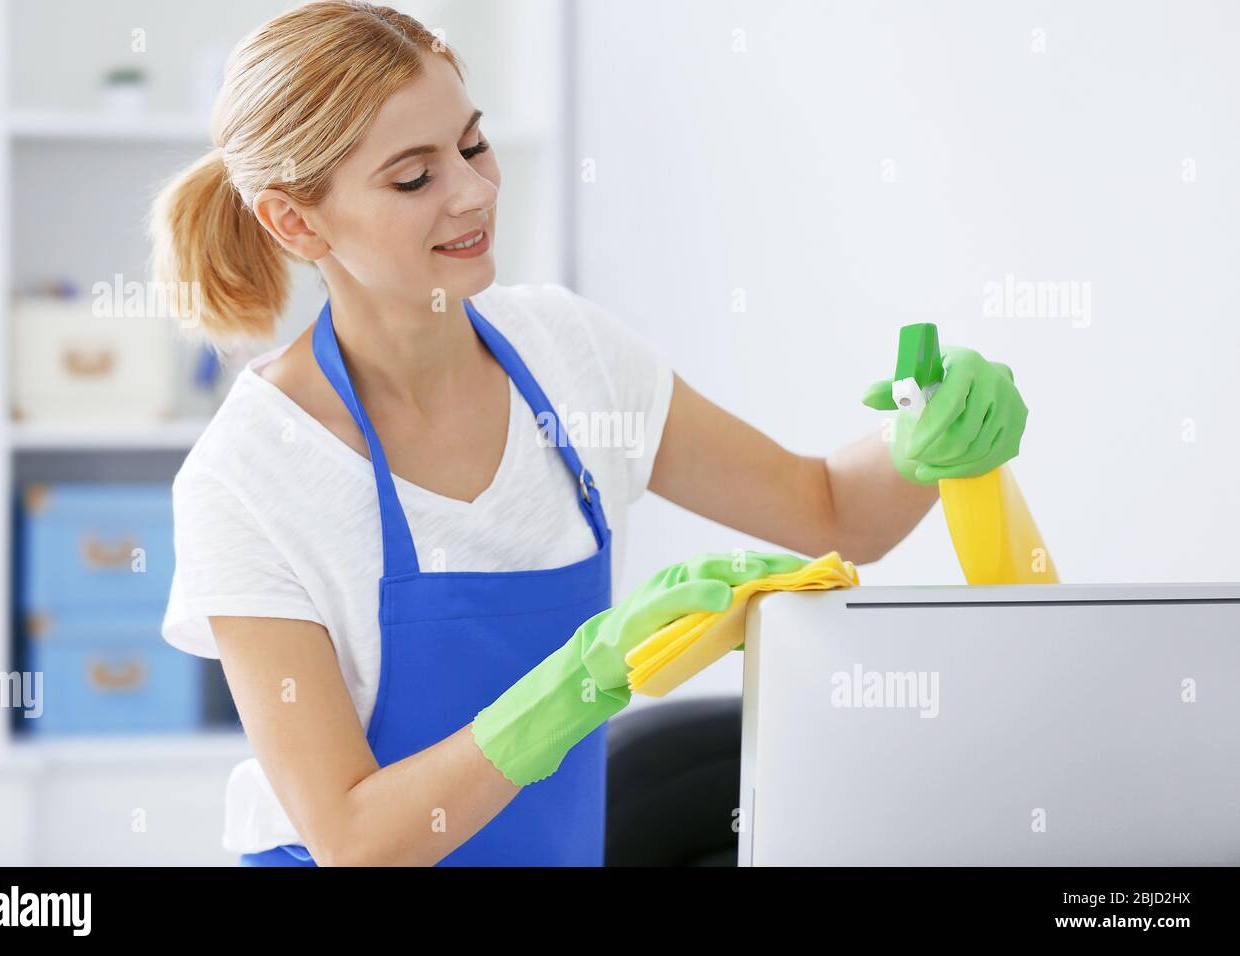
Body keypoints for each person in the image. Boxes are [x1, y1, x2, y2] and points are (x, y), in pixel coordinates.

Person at [149, 1, 1027, 866]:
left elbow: (832, 511)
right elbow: (355, 840)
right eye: (414, 177)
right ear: (294, 221)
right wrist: (583, 678)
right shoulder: (249, 477)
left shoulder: (571, 358)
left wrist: (924, 440)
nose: (475, 191)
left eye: (473, 143)